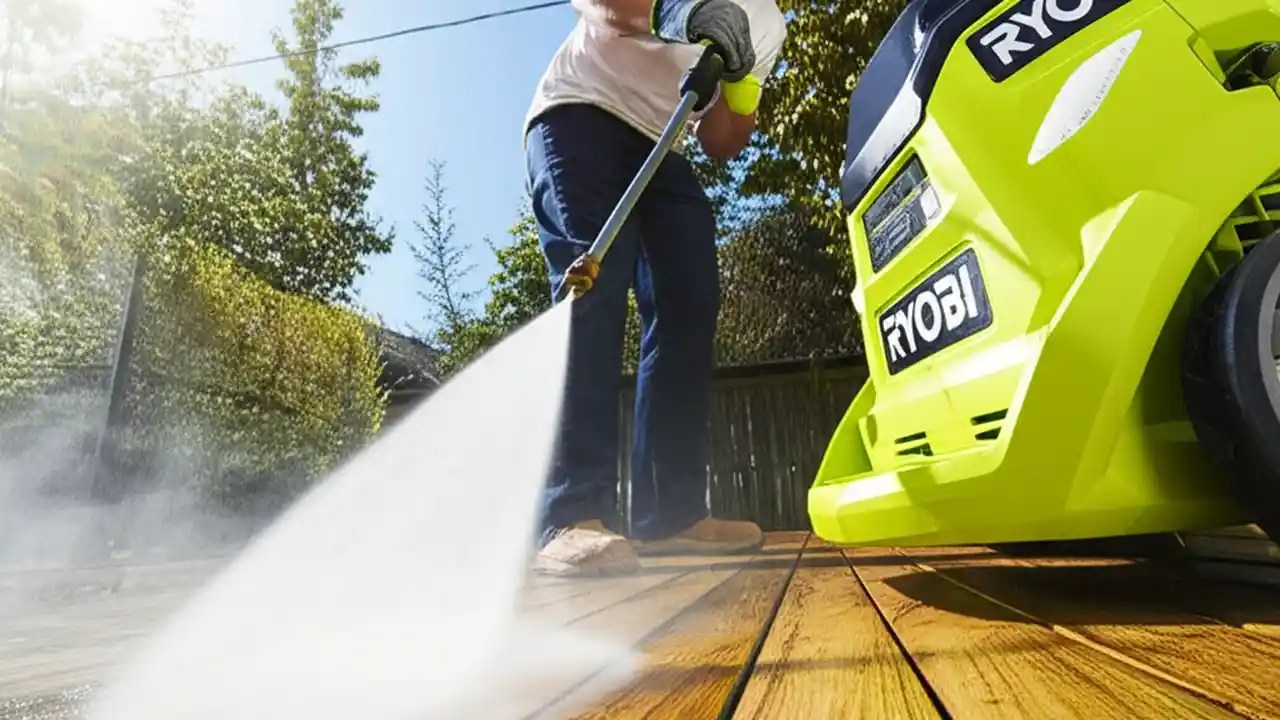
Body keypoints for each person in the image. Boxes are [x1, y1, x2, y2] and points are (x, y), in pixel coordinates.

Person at [524, 0, 788, 576]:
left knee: (688, 298)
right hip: (579, 113)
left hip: (658, 144)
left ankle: (671, 515)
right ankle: (568, 513)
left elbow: (721, 140)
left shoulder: (767, 23)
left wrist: (740, 79)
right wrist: (687, 13)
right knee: (592, 288)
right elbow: (605, 9)